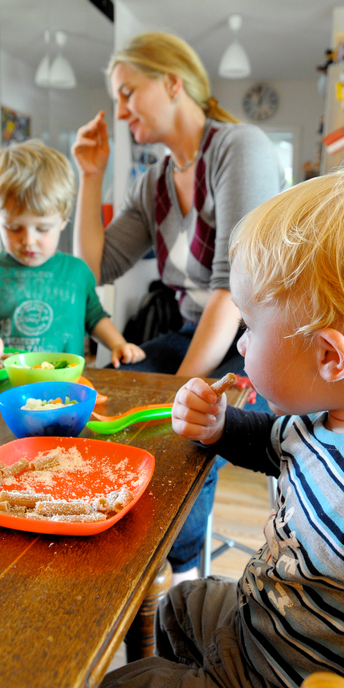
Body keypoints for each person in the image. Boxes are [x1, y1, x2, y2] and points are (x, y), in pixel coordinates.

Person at [70, 168, 344, 688]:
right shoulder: (330, 414)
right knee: (178, 605)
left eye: (251, 326)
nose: (238, 344)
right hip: (263, 630)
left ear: (329, 355)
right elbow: (270, 441)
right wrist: (217, 425)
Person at [72, 31, 283, 582]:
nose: (119, 111)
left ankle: (182, 569)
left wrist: (179, 391)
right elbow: (92, 268)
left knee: (186, 423)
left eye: (127, 92)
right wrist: (90, 175)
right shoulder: (155, 183)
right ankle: (124, 543)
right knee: (106, 396)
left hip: (256, 337)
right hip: (194, 329)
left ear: (172, 82)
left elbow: (232, 292)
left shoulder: (241, 149)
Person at [0, 140, 145, 369]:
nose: (28, 240)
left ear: (63, 219)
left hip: (62, 388)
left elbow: (94, 318)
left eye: (42, 228)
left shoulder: (77, 272)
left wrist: (118, 344)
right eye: (13, 227)